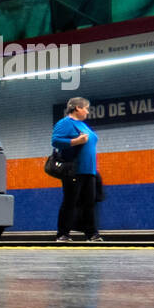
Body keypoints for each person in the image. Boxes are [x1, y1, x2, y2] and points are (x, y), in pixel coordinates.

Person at [51, 96, 102, 243]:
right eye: (86, 108)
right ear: (78, 108)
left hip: (89, 171)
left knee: (89, 203)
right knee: (70, 202)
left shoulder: (83, 125)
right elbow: (55, 140)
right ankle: (63, 234)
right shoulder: (65, 123)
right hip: (74, 170)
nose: (87, 111)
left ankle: (92, 234)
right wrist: (76, 141)